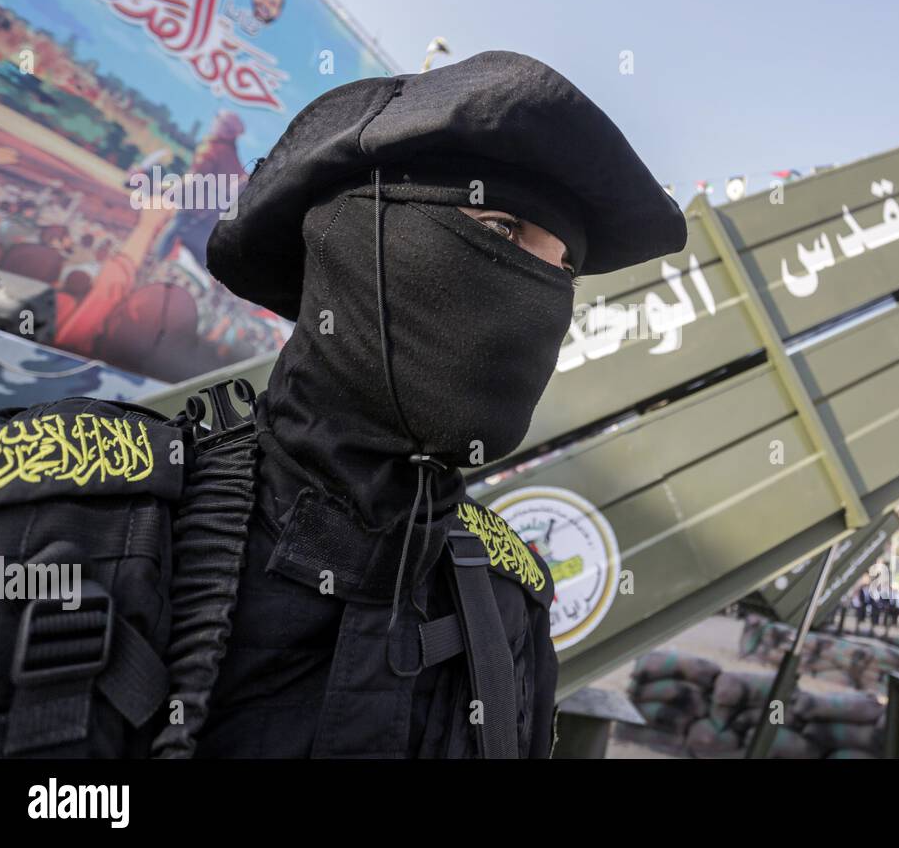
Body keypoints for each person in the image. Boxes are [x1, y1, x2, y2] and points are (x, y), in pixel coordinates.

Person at [191, 50, 687, 757]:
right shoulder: (89, 529)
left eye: (565, 268)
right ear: (363, 240)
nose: (537, 295)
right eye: (501, 231)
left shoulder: (508, 600)